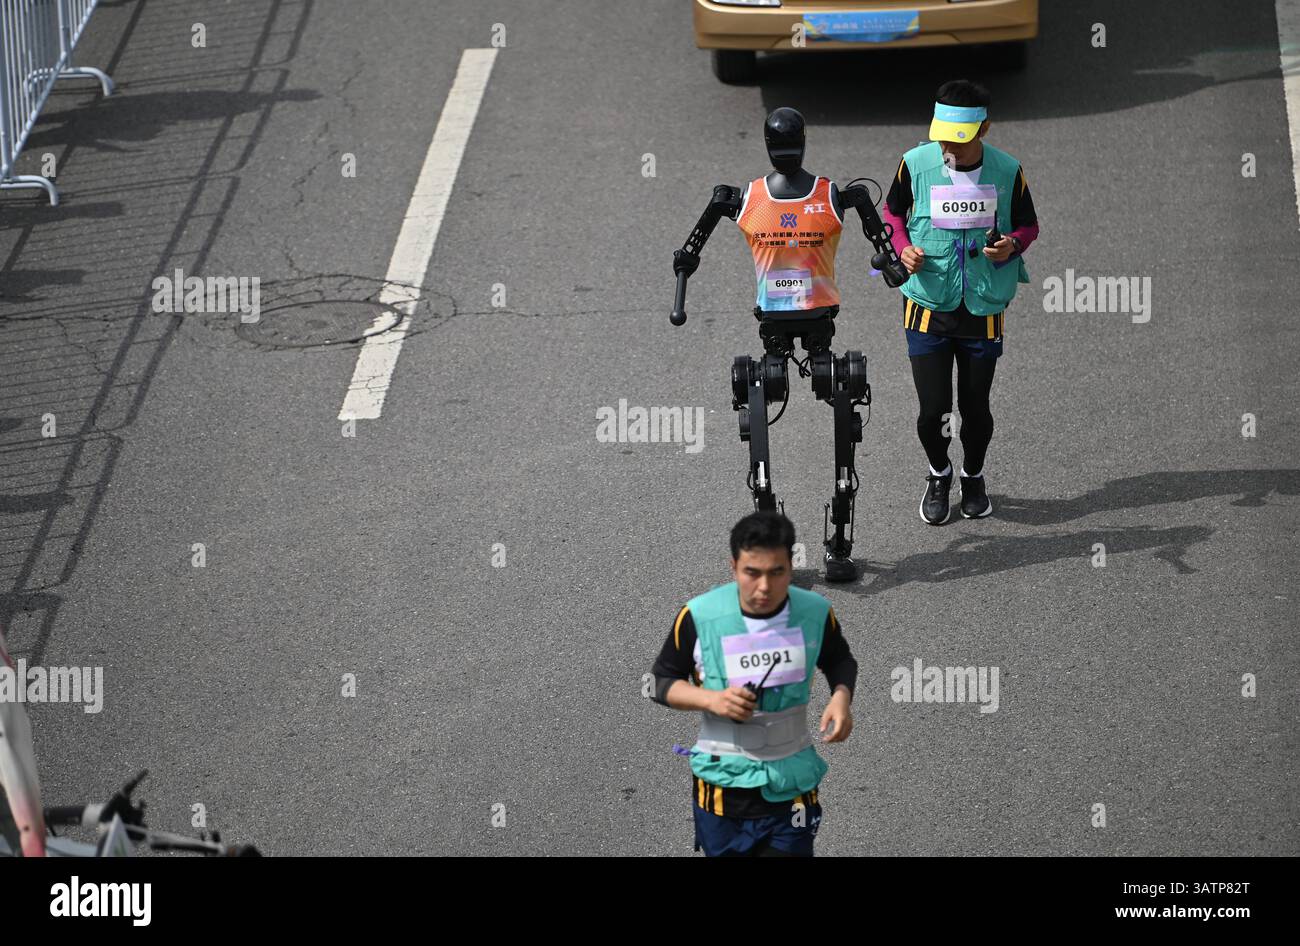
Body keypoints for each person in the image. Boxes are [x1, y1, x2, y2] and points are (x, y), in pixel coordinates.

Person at [880, 79, 1041, 524]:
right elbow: (893, 213)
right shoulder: (914, 164)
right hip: (927, 304)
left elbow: (1028, 226)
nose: (950, 145)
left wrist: (1011, 244)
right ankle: (939, 473)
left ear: (984, 128)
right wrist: (902, 246)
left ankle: (973, 475)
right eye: (944, 136)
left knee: (975, 407)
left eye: (961, 137)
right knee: (933, 411)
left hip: (983, 308)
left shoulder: (1008, 171)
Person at [650, 511, 857, 856]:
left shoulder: (816, 612)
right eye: (752, 573)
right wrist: (710, 700)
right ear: (734, 567)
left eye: (777, 573)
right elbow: (658, 682)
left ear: (791, 567)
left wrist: (841, 697)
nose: (764, 587)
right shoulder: (699, 616)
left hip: (792, 790)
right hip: (721, 794)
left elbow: (839, 660)